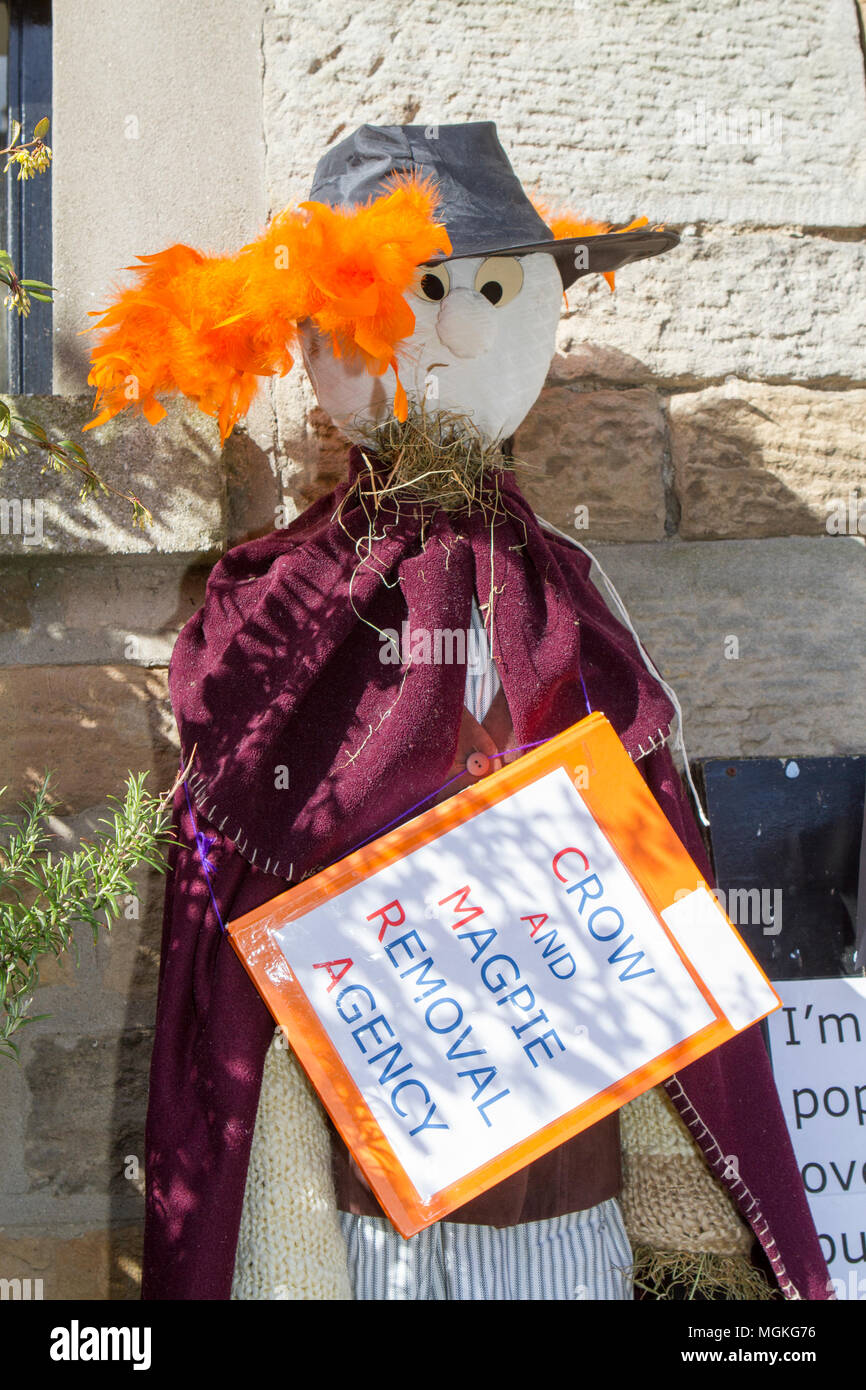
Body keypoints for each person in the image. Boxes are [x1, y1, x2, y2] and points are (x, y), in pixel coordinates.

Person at [87, 121, 832, 1301]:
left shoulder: (572, 594)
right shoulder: (274, 608)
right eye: (424, 290)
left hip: (569, 1184)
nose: (461, 327)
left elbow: (655, 863)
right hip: (366, 1199)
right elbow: (237, 900)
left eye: (492, 288)